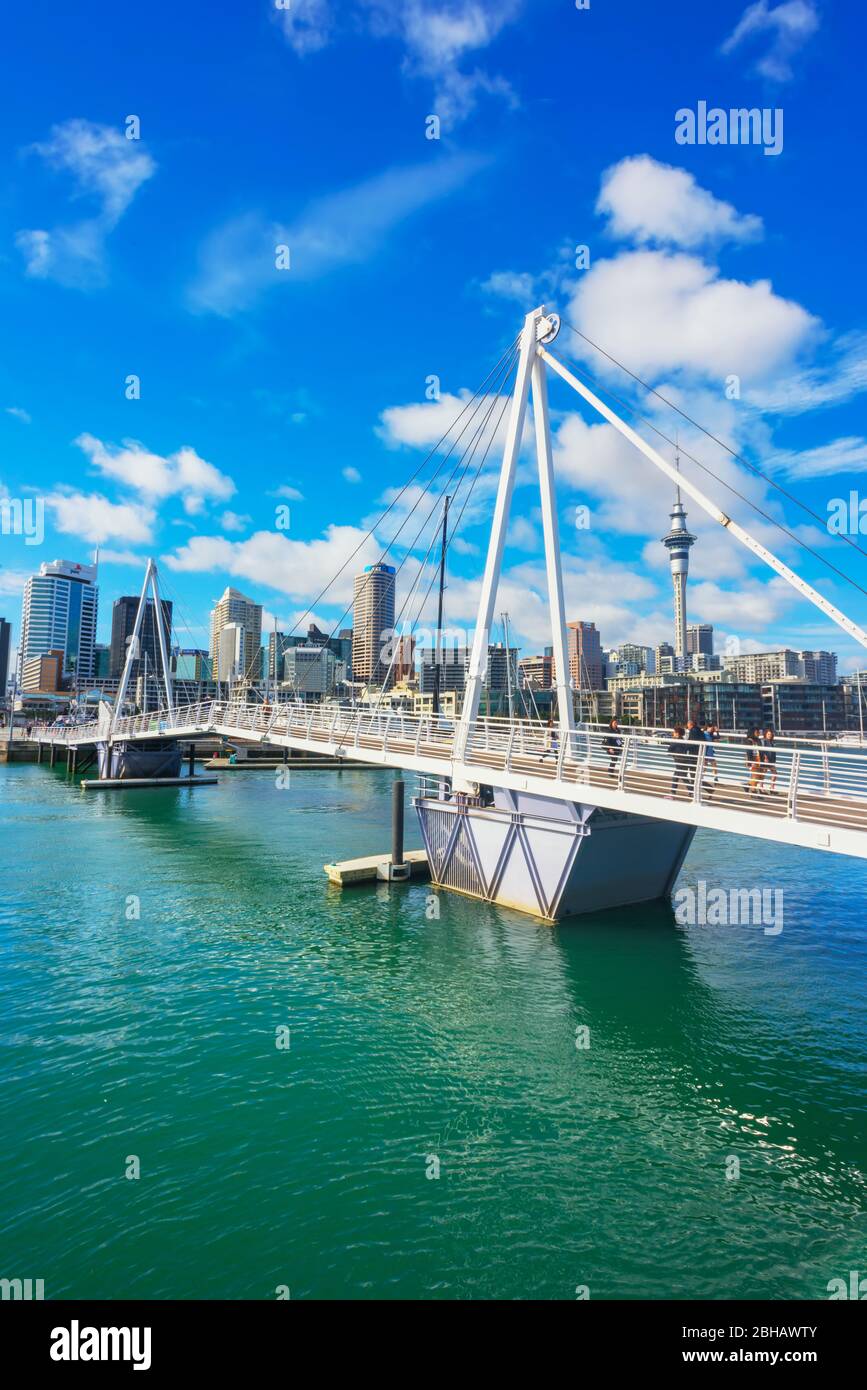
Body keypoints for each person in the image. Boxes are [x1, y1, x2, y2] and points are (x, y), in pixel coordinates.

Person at [667, 725, 692, 799]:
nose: (673, 734)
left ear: (677, 733)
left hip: (679, 761)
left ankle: (691, 792)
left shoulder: (675, 741)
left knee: (682, 777)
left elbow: (669, 750)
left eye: (674, 732)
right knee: (677, 777)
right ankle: (673, 792)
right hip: (685, 760)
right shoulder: (683, 740)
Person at [762, 728, 777, 793]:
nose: (769, 735)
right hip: (766, 760)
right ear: (765, 734)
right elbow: (762, 750)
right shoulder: (764, 741)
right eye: (768, 734)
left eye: (770, 734)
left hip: (771, 760)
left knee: (775, 774)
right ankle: (761, 787)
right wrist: (765, 758)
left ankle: (771, 787)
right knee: (763, 774)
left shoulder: (772, 741)